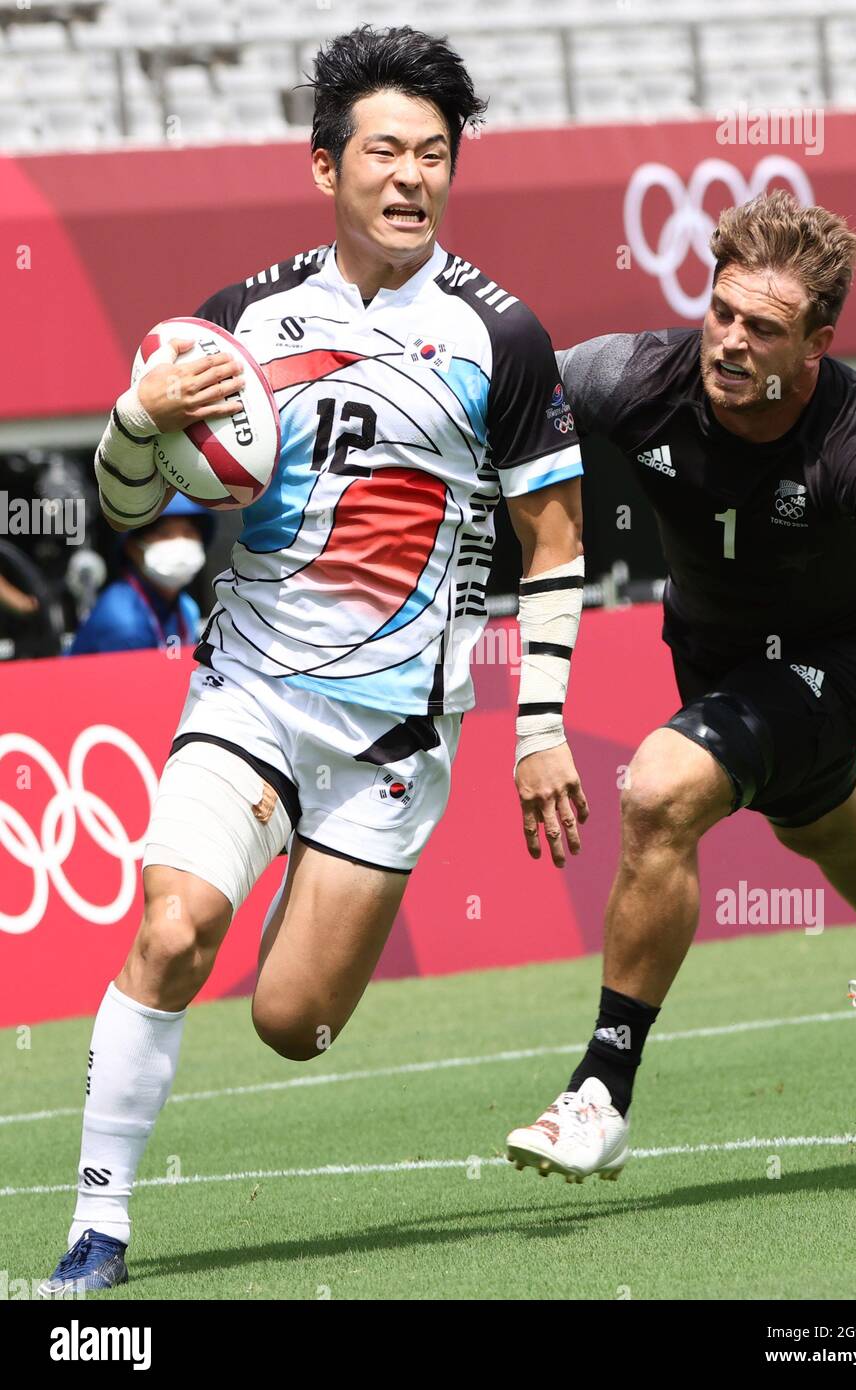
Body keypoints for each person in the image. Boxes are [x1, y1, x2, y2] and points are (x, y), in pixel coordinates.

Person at [40, 25, 588, 1295]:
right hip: (247, 692)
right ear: (324, 165)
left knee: (295, 1023)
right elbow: (130, 504)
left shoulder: (501, 337)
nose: (412, 177)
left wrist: (541, 722)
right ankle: (99, 1227)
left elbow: (551, 545)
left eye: (435, 155)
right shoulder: (239, 321)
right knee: (172, 931)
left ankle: (313, 923)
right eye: (386, 151)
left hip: (393, 736)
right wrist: (137, 421)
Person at [506, 190, 856, 1182]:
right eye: (720, 311)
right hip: (710, 652)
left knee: (660, 789)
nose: (731, 341)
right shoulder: (637, 374)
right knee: (818, 822)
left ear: (816, 343)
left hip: (834, 662)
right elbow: (501, 400)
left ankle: (600, 1092)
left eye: (763, 327)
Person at [69, 492, 209, 654]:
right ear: (132, 547)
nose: (180, 543)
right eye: (164, 534)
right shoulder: (122, 623)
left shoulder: (186, 608)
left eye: (188, 532)